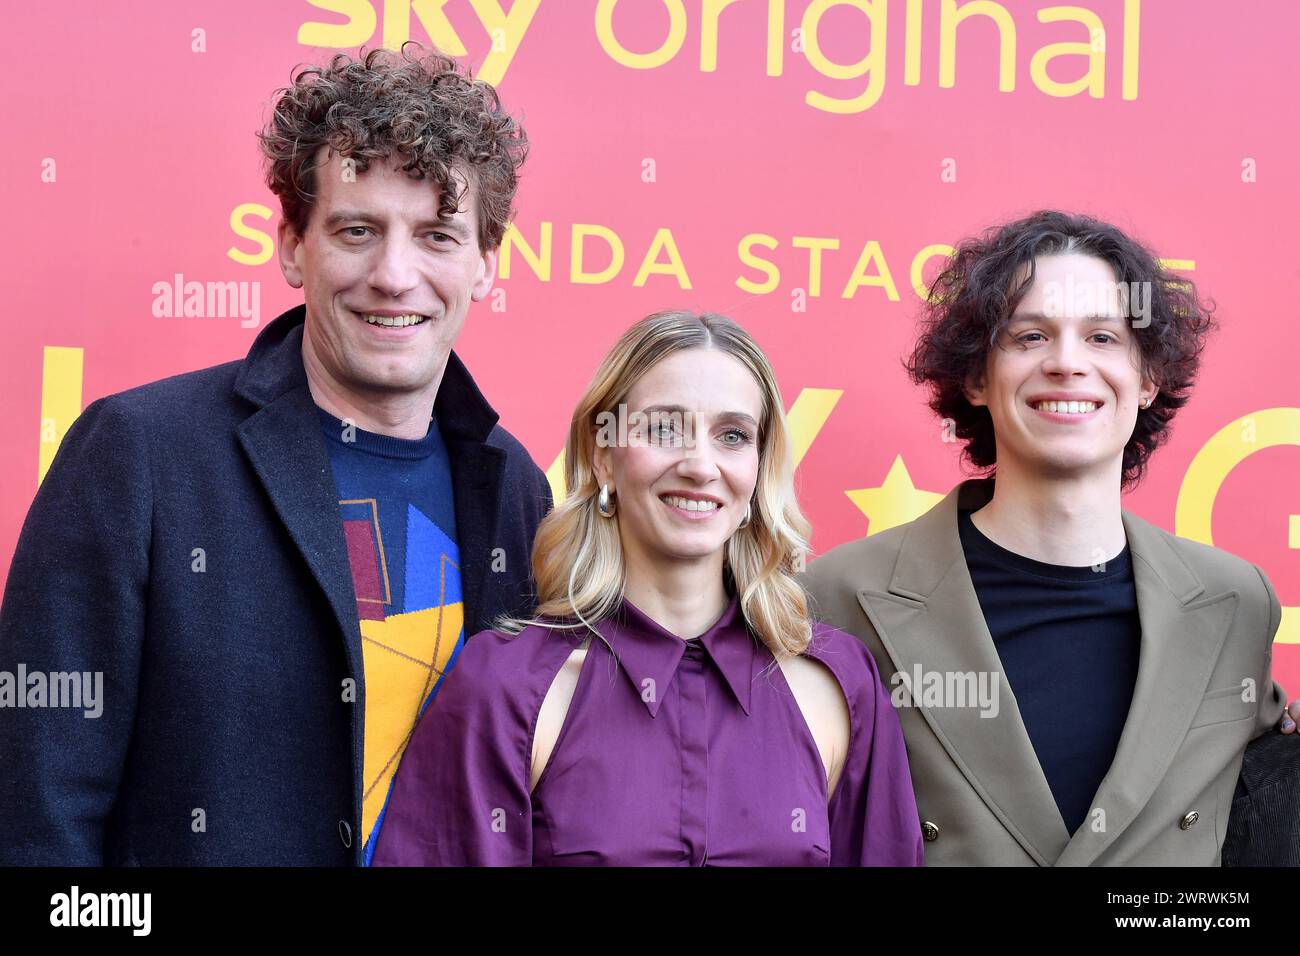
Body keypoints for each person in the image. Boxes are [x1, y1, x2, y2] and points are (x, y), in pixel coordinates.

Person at [0, 44, 551, 865]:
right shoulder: (138, 454)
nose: (395, 275)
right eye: (357, 230)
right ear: (293, 246)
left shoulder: (516, 489)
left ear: (485, 265)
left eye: (437, 235)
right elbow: (40, 813)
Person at [803, 210, 1297, 865]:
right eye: (1031, 336)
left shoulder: (1235, 604)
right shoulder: (837, 599)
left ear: (1148, 377)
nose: (1067, 363)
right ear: (977, 378)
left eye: (1102, 337)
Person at [372, 311, 924, 866]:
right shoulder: (505, 687)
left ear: (758, 470)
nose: (700, 465)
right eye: (664, 429)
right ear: (604, 454)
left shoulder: (838, 685)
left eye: (732, 436)